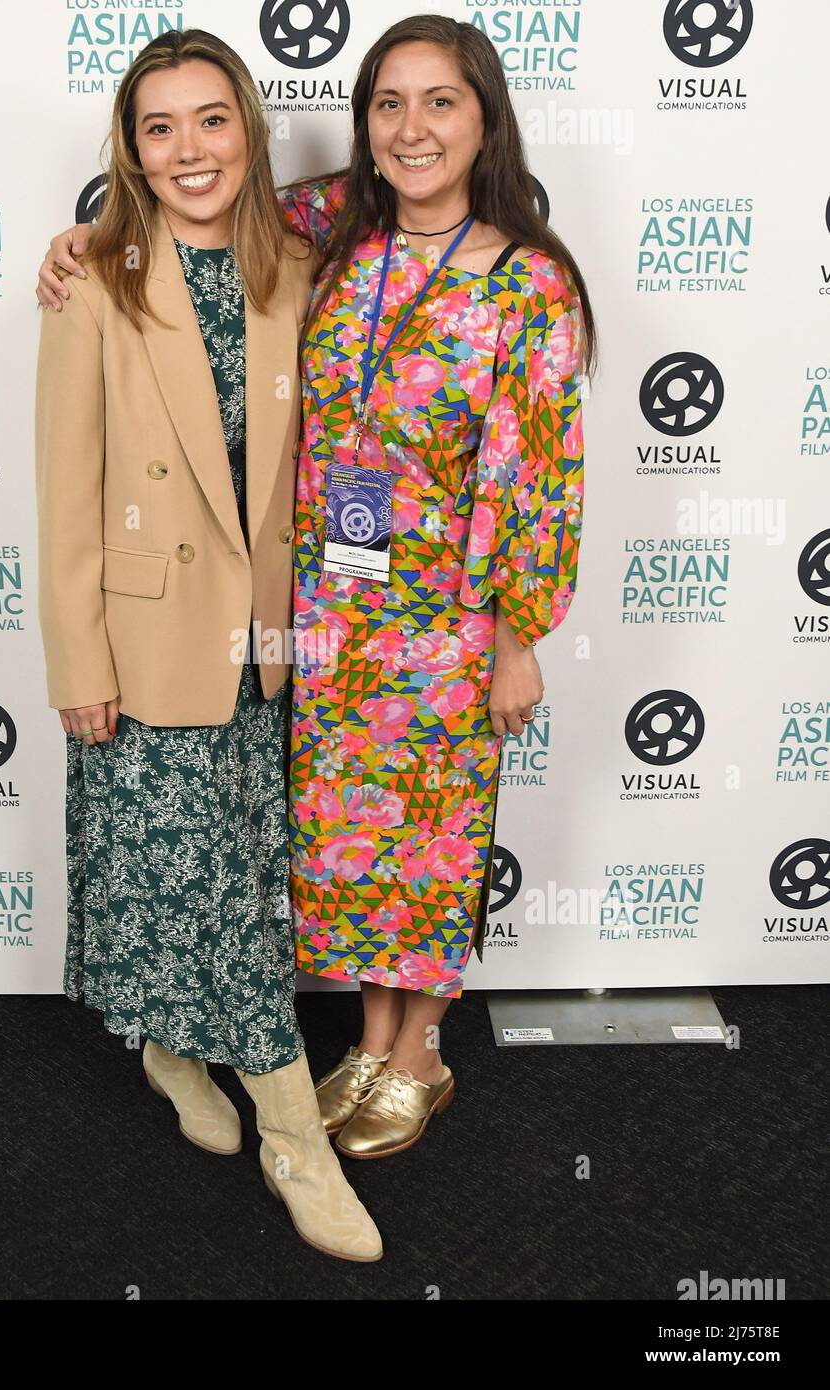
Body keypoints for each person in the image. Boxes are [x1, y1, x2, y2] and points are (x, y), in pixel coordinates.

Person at [36, 15, 592, 1164]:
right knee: (356, 844)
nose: (412, 129)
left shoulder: (529, 282)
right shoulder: (331, 229)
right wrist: (87, 237)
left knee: (431, 839)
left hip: (444, 617)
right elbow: (196, 203)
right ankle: (370, 1043)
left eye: (439, 102)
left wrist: (516, 636)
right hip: (325, 612)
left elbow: (535, 475)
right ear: (364, 124)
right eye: (388, 104)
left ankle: (420, 1054)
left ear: (484, 117)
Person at [34, 28, 381, 1262]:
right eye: (159, 127)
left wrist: (350, 615)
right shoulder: (96, 280)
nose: (189, 149)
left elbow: (337, 457)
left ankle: (174, 1046)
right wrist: (77, 662)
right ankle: (293, 1134)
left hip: (267, 642)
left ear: (250, 130)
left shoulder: (299, 265)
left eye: (211, 119)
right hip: (145, 639)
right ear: (130, 152)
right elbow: (65, 492)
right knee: (202, 887)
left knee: (231, 877)